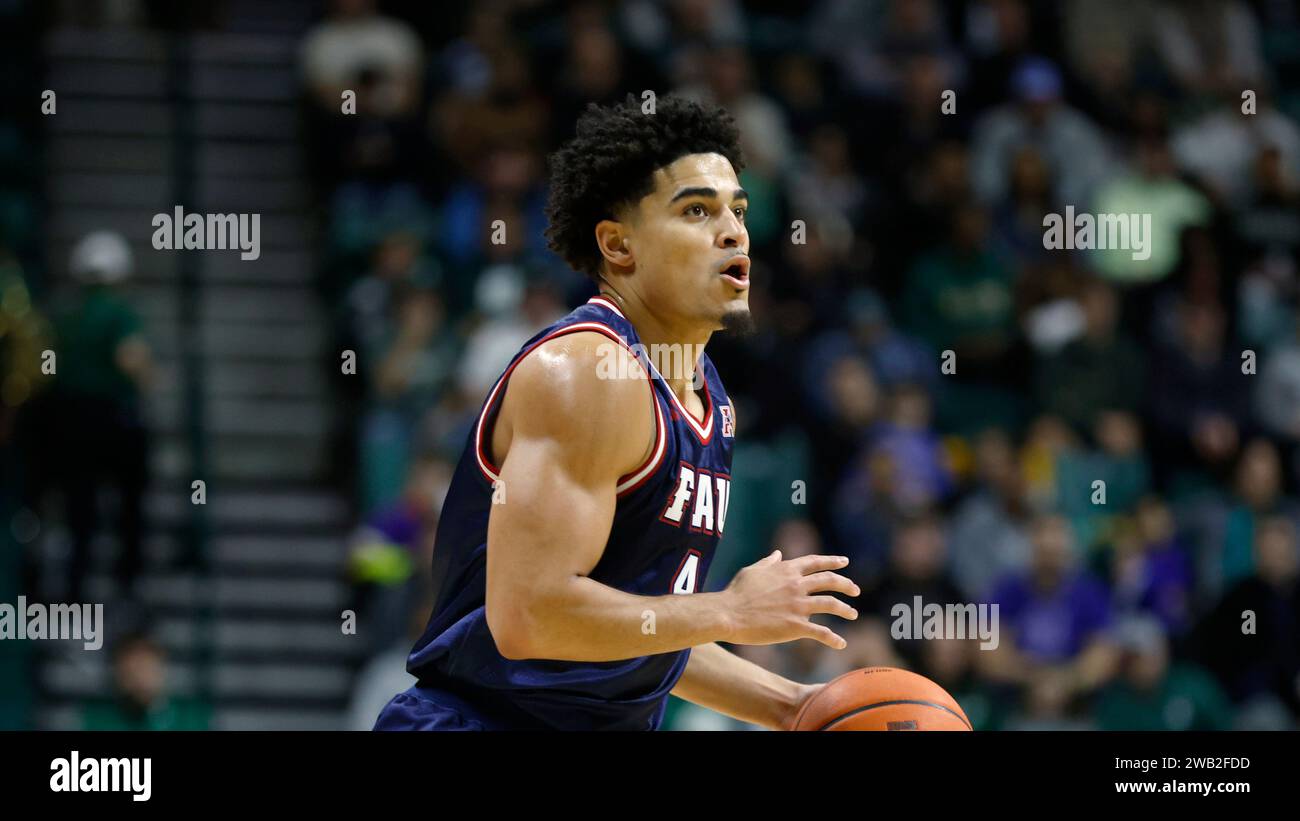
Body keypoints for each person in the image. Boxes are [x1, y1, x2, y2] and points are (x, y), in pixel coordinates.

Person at [375, 96, 859, 731]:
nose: (734, 231)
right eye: (696, 210)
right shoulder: (587, 372)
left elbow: (636, 627)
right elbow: (530, 616)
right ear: (618, 245)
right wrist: (729, 610)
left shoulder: (710, 397)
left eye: (737, 211)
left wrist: (794, 707)